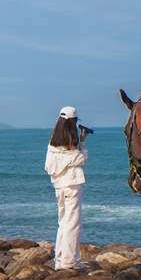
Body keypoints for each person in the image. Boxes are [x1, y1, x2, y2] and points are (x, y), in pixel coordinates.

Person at [44, 106, 88, 270]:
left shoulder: (53, 141)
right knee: (72, 223)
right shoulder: (73, 141)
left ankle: (60, 260)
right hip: (72, 186)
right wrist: (82, 143)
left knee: (63, 222)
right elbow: (82, 158)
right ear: (73, 121)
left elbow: (51, 166)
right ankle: (70, 262)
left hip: (59, 187)